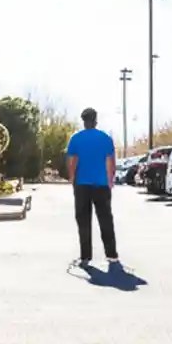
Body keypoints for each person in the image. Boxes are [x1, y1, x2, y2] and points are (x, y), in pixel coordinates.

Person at [66, 107, 119, 265]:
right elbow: (110, 162)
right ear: (95, 120)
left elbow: (72, 162)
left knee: (83, 220)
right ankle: (111, 254)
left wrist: (72, 178)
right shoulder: (105, 138)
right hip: (101, 185)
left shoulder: (76, 138)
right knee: (105, 219)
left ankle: (86, 256)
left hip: (82, 184)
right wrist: (110, 180)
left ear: (84, 121)